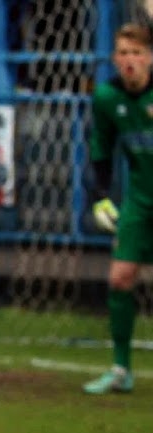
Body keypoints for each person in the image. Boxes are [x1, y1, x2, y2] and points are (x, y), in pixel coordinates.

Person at [85, 22, 152, 396]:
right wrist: (100, 196)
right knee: (120, 278)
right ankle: (121, 369)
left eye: (137, 53)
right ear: (115, 58)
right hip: (141, 200)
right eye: (123, 53)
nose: (130, 61)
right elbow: (100, 152)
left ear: (150, 58)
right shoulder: (108, 97)